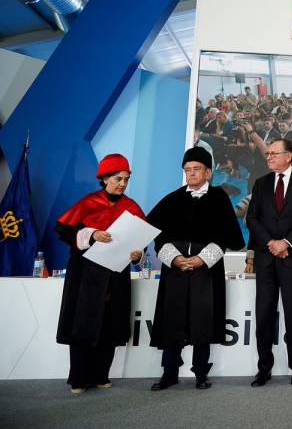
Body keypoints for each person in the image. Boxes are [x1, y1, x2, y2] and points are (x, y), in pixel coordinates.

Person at [147, 147, 244, 391]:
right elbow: (156, 235)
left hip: (206, 270)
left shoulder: (219, 198)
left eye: (196, 169)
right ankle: (169, 372)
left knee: (203, 321)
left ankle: (201, 373)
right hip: (175, 269)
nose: (191, 173)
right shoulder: (173, 199)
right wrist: (175, 258)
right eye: (187, 170)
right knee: (172, 319)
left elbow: (229, 237)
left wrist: (202, 258)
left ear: (208, 172)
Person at [55, 154, 145, 394]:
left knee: (110, 323)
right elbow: (63, 229)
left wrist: (138, 254)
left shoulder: (132, 207)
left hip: (116, 276)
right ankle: (78, 378)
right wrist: (92, 234)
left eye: (126, 179)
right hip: (86, 275)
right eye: (118, 179)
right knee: (83, 323)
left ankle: (100, 375)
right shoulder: (88, 202)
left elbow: (141, 241)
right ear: (105, 178)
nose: (122, 184)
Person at [245, 139, 292, 387]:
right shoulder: (261, 183)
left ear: (289, 156)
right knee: (264, 314)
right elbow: (252, 218)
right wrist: (271, 243)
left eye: (273, 153)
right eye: (267, 154)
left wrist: (286, 243)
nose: (269, 157)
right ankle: (264, 368)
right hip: (266, 259)